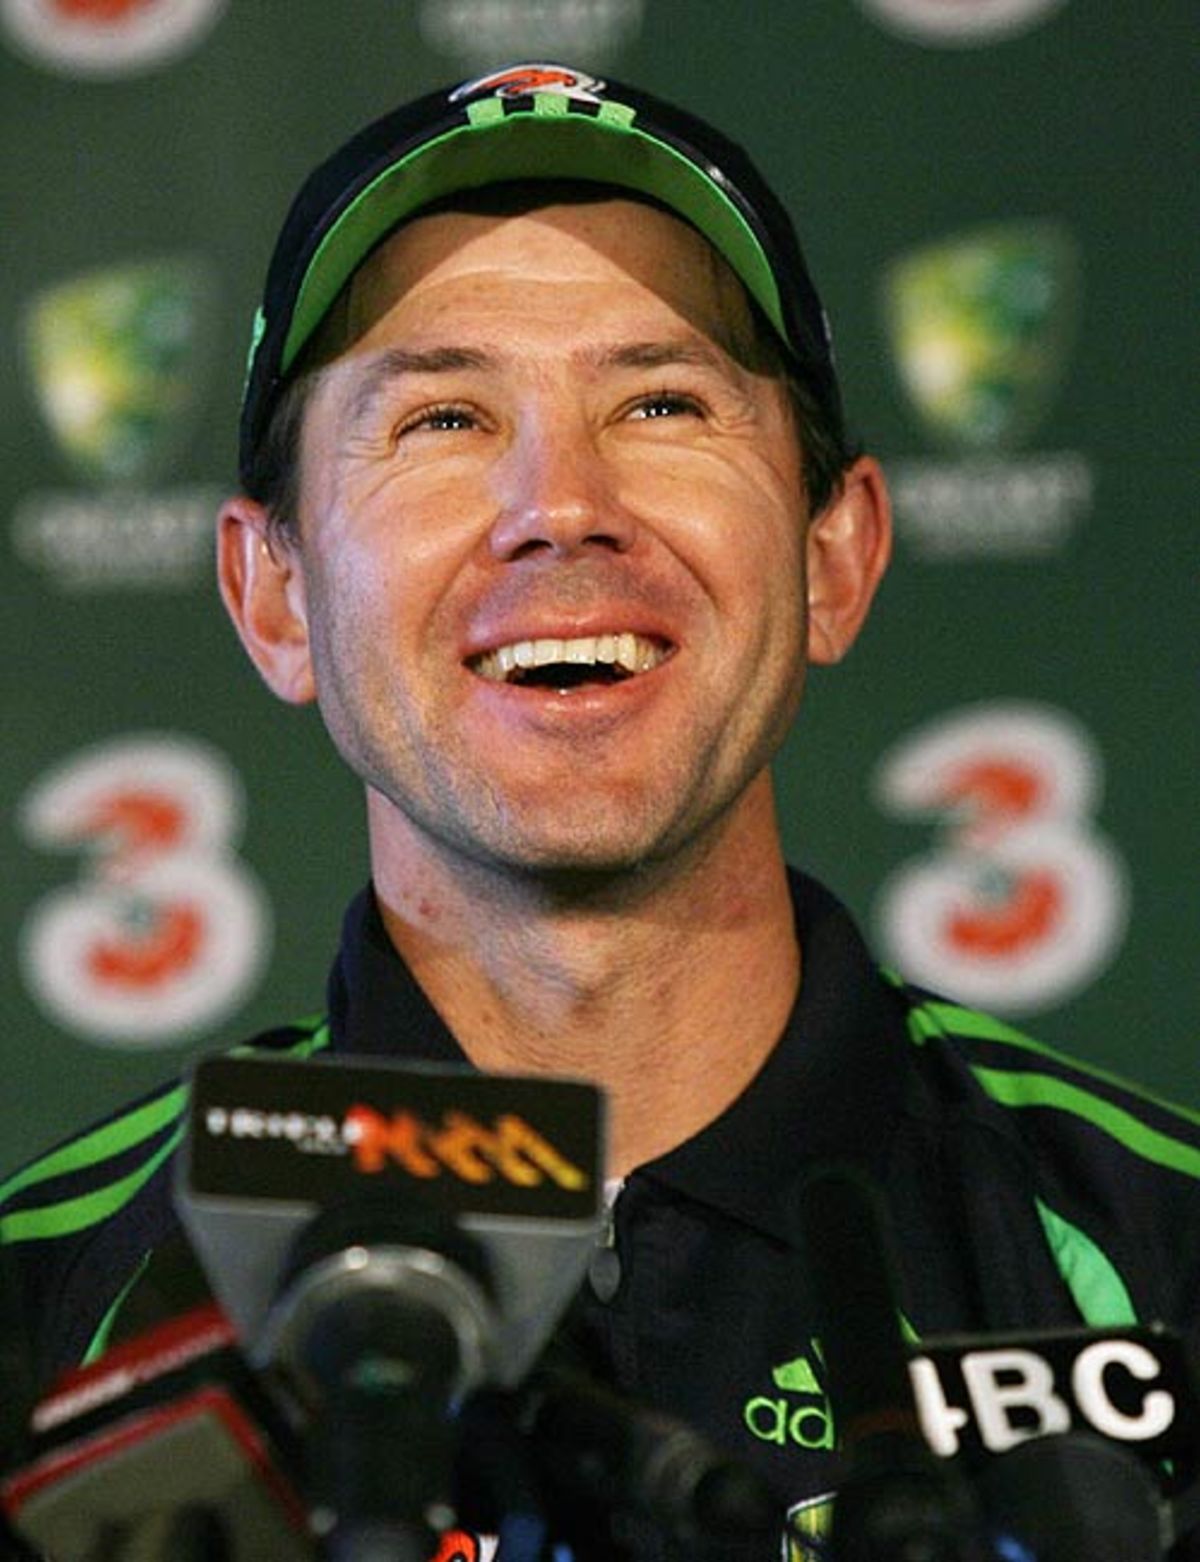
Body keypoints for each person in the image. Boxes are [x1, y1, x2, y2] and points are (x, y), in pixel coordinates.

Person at [2, 62, 1198, 1561]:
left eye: (660, 399)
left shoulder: (1157, 1258)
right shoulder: (43, 1318)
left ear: (837, 555)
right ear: (275, 595)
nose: (560, 501)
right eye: (440, 417)